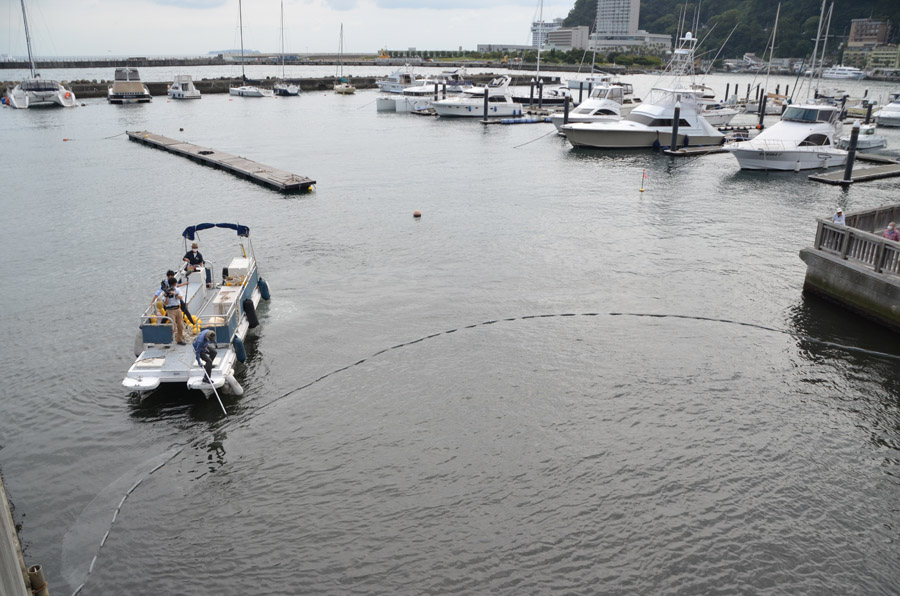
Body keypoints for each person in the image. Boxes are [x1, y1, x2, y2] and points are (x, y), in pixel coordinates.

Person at [151, 273, 187, 345]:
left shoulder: (177, 290)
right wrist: (167, 296)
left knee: (180, 325)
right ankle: (167, 340)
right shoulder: (166, 292)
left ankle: (179, 340)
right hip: (170, 310)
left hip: (178, 309)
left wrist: (174, 294)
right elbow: (166, 303)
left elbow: (180, 298)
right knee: (172, 326)